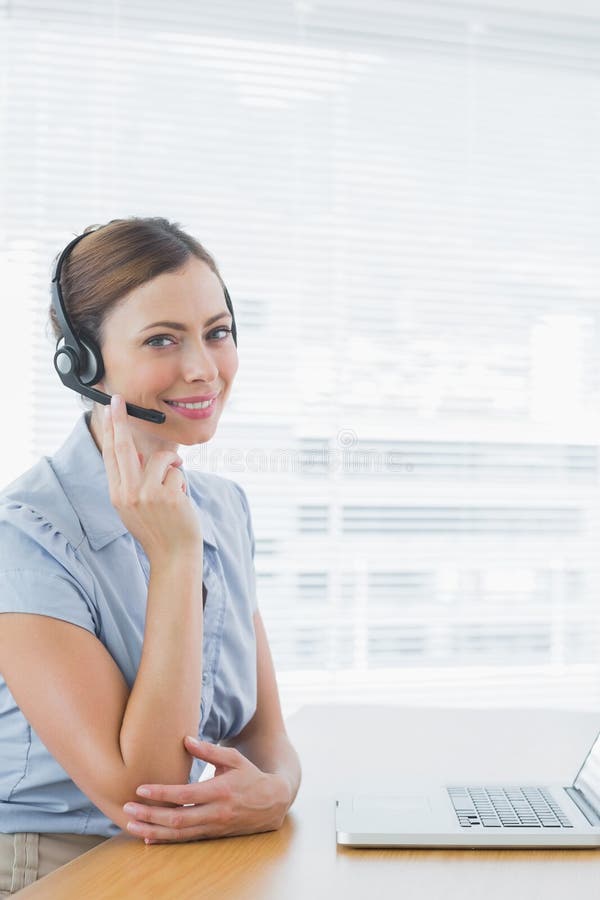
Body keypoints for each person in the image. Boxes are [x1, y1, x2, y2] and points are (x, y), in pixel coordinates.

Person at [0, 217, 301, 894]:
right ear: (83, 363)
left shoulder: (221, 506)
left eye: (217, 332)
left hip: (180, 860)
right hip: (49, 863)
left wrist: (275, 791)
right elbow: (146, 792)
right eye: (162, 339)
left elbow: (265, 736)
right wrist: (175, 560)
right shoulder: (23, 535)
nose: (202, 368)